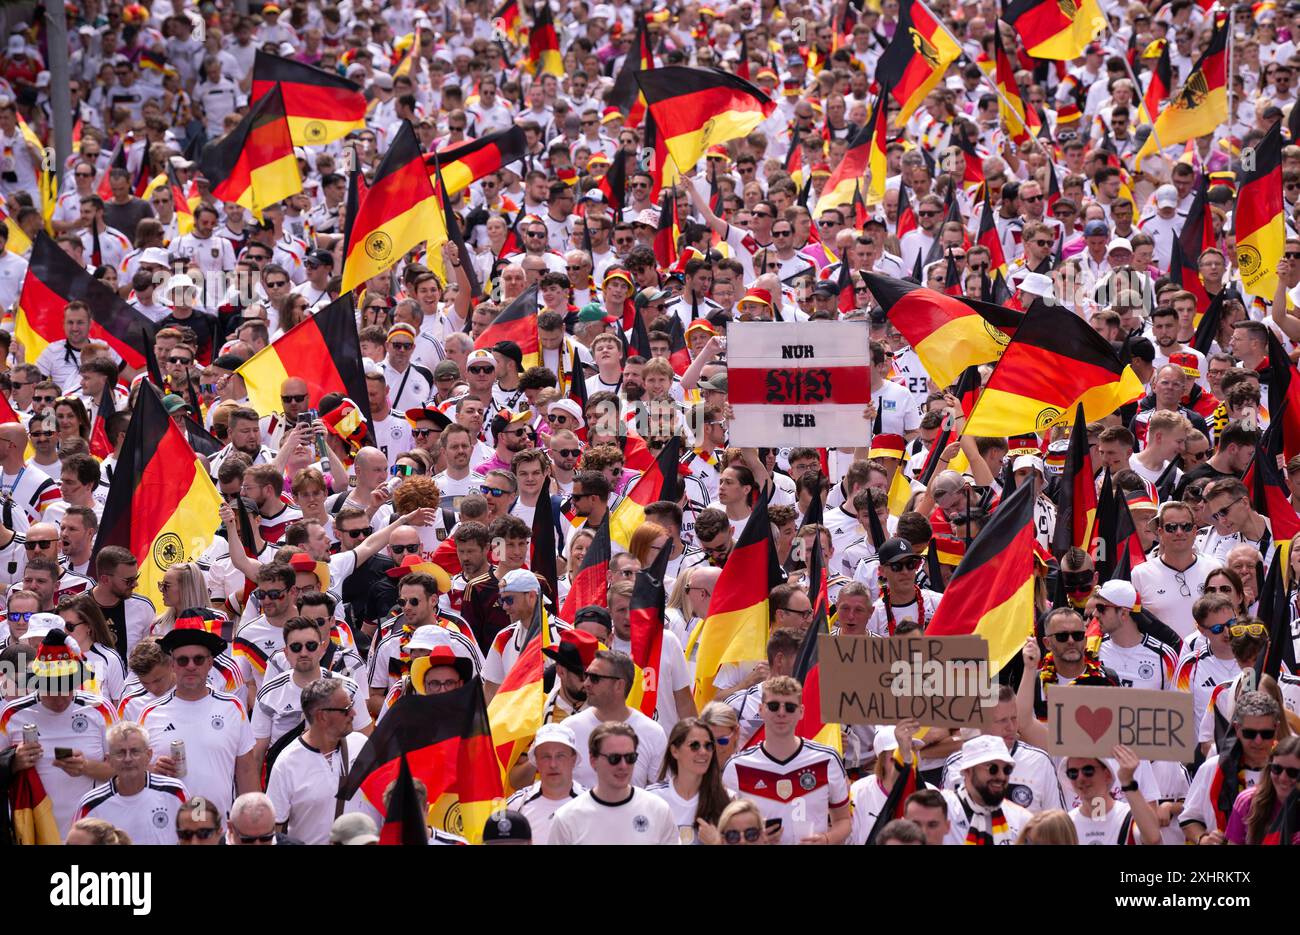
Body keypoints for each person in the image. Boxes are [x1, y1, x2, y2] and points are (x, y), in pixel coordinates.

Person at [138, 611, 258, 823]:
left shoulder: (232, 707)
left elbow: (246, 770)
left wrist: (254, 820)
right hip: (167, 827)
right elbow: (132, 771)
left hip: (219, 827)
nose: (191, 666)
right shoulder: (150, 713)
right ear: (173, 665)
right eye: (183, 660)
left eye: (198, 659)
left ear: (210, 663)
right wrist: (150, 770)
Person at [1, 626, 117, 838]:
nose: (60, 697)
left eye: (67, 686)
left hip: (90, 832)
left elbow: (120, 771)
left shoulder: (100, 709)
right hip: (33, 830)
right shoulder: (12, 715)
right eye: (51, 688)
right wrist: (13, 763)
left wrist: (86, 767)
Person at [721, 675, 852, 844]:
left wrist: (826, 839)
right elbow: (724, 832)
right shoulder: (737, 767)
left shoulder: (828, 759)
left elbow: (844, 821)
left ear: (801, 712)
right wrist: (755, 840)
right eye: (774, 706)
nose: (781, 713)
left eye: (790, 707)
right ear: (761, 709)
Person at [264, 676, 370, 845]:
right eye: (346, 709)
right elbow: (272, 831)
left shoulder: (362, 745)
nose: (353, 713)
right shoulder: (286, 764)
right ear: (322, 716)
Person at [548, 722, 679, 845]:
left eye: (630, 758)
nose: (623, 766)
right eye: (614, 759)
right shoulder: (567, 818)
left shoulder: (659, 810)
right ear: (593, 760)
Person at [563, 649, 667, 788]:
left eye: (595, 678)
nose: (586, 683)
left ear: (619, 685)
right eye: (586, 675)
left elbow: (660, 791)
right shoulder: (569, 729)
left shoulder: (653, 733)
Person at [74, 720, 187, 845]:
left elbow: (195, 837)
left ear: (149, 755)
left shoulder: (175, 791)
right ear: (109, 759)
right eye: (120, 753)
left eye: (135, 751)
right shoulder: (90, 805)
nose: (128, 759)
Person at [647, 716, 733, 844]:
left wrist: (717, 843)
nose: (703, 752)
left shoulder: (727, 799)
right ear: (675, 751)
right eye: (695, 745)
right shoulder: (652, 797)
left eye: (708, 746)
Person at [939, 735, 1033, 844]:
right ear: (968, 771)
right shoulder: (943, 807)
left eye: (1007, 769)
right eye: (992, 769)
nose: (1001, 776)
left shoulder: (1020, 818)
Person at [503, 722, 584, 846]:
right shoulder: (515, 806)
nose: (553, 764)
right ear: (535, 761)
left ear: (573, 760)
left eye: (560, 756)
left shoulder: (593, 804)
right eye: (545, 756)